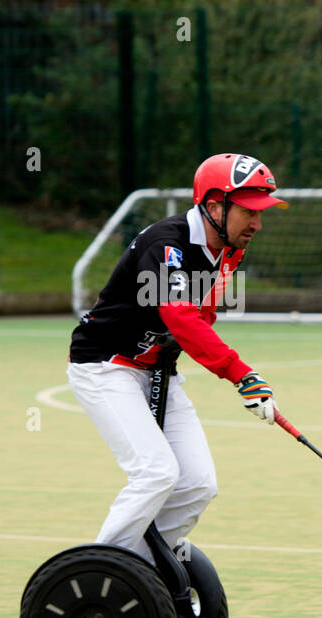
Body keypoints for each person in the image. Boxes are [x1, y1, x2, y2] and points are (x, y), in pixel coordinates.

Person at [68, 153, 287, 563]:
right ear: (215, 205)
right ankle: (101, 572)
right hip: (104, 365)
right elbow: (179, 315)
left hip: (156, 372)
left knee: (197, 484)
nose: (257, 224)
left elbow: (202, 315)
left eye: (261, 213)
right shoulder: (165, 244)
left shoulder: (228, 251)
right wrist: (241, 374)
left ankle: (144, 569)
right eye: (248, 212)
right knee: (156, 473)